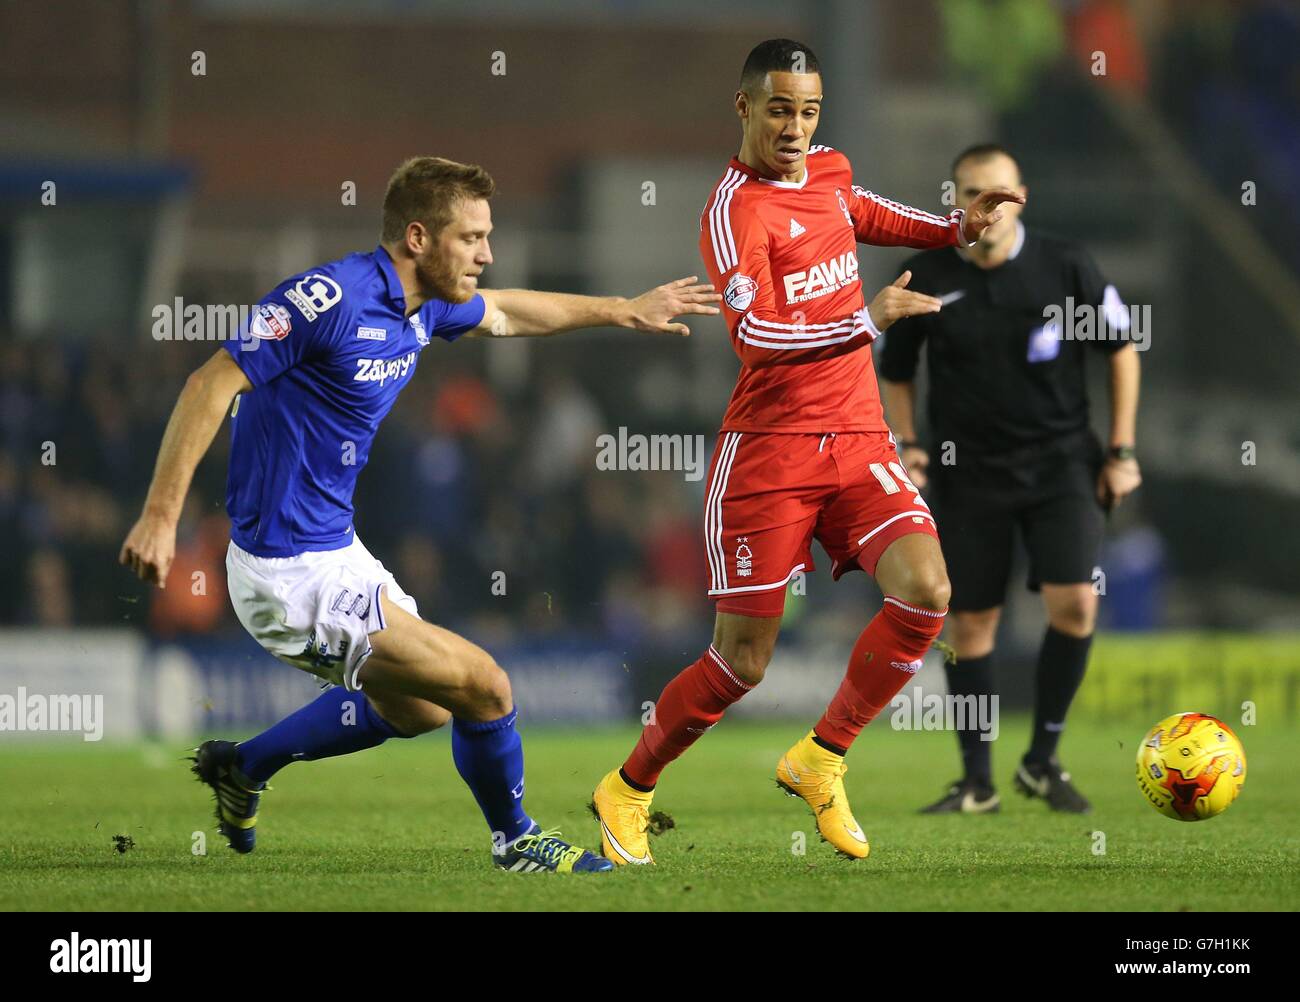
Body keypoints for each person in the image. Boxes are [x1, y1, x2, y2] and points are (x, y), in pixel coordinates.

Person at [119, 155, 720, 873]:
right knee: (486, 685)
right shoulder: (326, 297)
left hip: (336, 550)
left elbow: (506, 312)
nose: (486, 253)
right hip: (286, 572)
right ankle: (517, 840)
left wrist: (620, 310)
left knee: (424, 709)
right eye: (471, 238)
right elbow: (208, 382)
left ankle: (243, 765)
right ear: (416, 237)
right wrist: (160, 516)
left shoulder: (426, 306)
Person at [589, 39, 1023, 864]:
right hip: (770, 453)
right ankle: (629, 787)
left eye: (809, 109)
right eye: (780, 108)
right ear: (745, 108)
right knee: (742, 661)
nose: (796, 126)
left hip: (857, 435)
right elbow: (755, 337)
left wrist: (953, 228)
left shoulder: (827, 170)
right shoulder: (734, 211)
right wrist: (870, 321)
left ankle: (820, 758)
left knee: (928, 591)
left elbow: (868, 213)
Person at [879, 143, 1141, 814]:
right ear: (955, 199)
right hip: (968, 474)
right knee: (971, 622)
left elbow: (1120, 351)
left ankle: (1042, 760)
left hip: (1062, 464)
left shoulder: (1067, 265)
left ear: (1023, 194)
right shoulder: (927, 273)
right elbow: (897, 369)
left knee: (1076, 603)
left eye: (1001, 193)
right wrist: (907, 443)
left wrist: (1120, 449)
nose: (989, 207)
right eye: (973, 193)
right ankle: (977, 782)